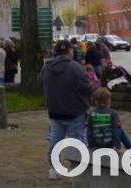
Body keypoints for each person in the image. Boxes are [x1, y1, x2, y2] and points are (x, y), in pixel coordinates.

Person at [40, 39, 93, 180]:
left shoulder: (47, 67)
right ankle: (75, 171)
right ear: (70, 51)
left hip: (54, 111)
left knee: (55, 141)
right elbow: (87, 88)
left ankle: (54, 169)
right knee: (77, 141)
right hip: (74, 112)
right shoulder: (75, 67)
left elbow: (41, 82)